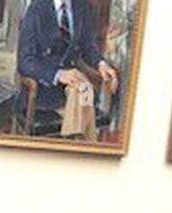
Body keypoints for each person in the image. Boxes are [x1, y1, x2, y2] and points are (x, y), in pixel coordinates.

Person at [17, 0, 119, 135]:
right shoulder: (36, 9)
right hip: (42, 91)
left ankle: (76, 142)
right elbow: (25, 62)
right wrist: (58, 75)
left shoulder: (82, 7)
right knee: (81, 93)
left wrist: (102, 64)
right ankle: (80, 145)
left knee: (84, 89)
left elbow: (88, 46)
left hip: (73, 82)